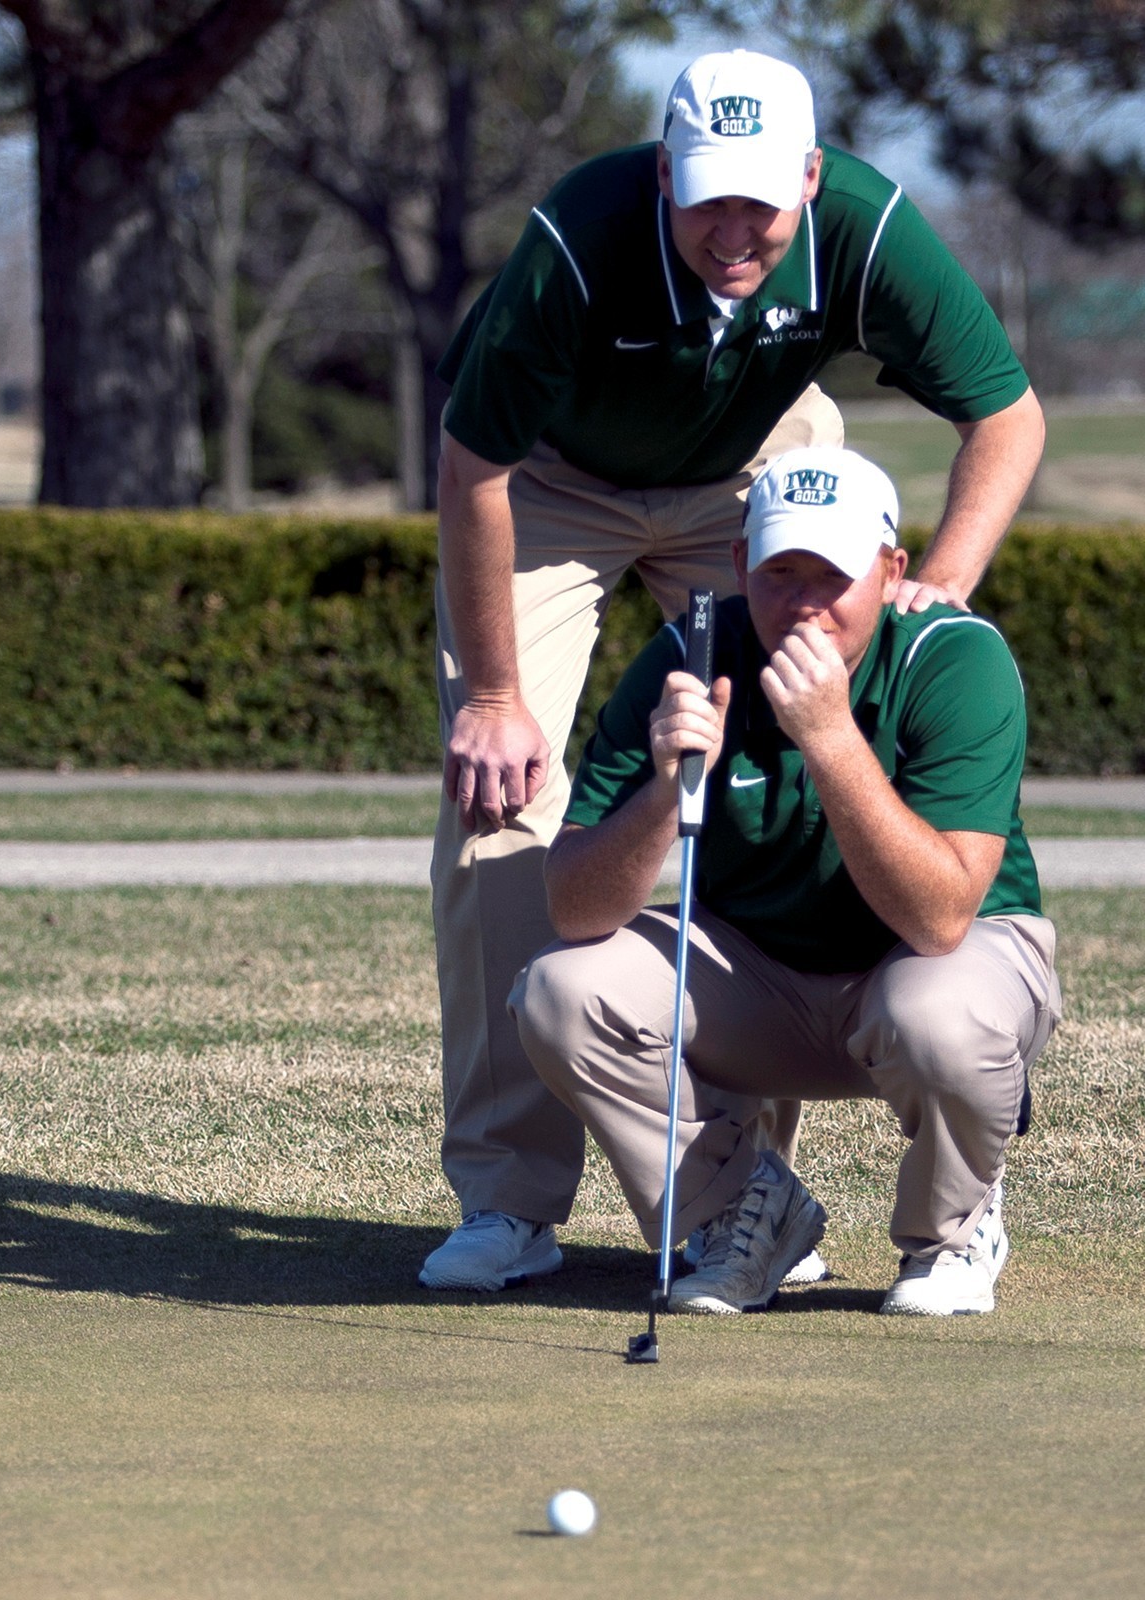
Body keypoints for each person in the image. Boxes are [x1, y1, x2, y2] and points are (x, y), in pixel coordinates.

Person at [420, 47, 1046, 1291]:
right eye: (706, 197)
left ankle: (741, 1200)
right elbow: (471, 466)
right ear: (664, 175)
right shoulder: (581, 238)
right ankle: (512, 1200)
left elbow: (1006, 413)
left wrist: (945, 590)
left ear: (812, 178)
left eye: (762, 201)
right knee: (502, 812)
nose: (734, 230)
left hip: (755, 478)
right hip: (550, 485)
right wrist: (494, 698)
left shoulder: (869, 229)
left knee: (783, 744)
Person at [507, 446, 1060, 1316]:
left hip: (933, 971)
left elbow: (943, 916)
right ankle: (746, 1214)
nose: (804, 602)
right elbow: (573, 906)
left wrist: (831, 738)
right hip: (762, 981)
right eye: (779, 573)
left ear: (890, 570)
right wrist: (662, 790)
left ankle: (954, 1230)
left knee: (935, 1014)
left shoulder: (955, 659)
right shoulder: (690, 652)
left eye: (832, 575)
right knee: (559, 991)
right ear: (739, 566)